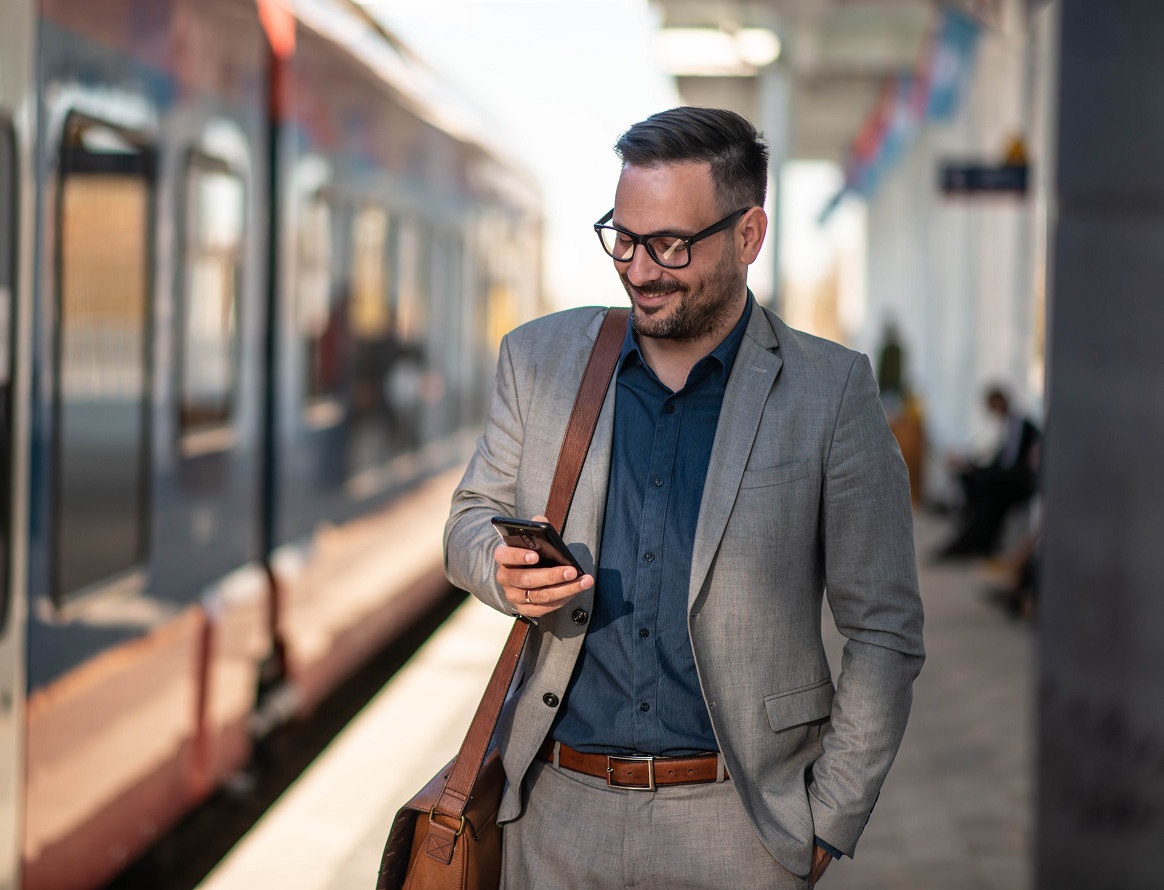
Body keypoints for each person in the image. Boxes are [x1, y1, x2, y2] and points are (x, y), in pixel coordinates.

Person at [445, 107, 925, 889]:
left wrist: (827, 819)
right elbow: (467, 518)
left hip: (740, 830)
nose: (638, 268)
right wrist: (497, 569)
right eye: (623, 238)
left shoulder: (831, 393)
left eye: (670, 244)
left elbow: (886, 630)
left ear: (748, 235)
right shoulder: (536, 360)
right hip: (555, 820)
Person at [940, 386, 1041, 557]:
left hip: (1018, 482)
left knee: (981, 487)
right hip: (1010, 479)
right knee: (975, 481)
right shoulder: (1008, 425)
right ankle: (975, 538)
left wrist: (977, 468)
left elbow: (1009, 462)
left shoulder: (1018, 424)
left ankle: (975, 539)